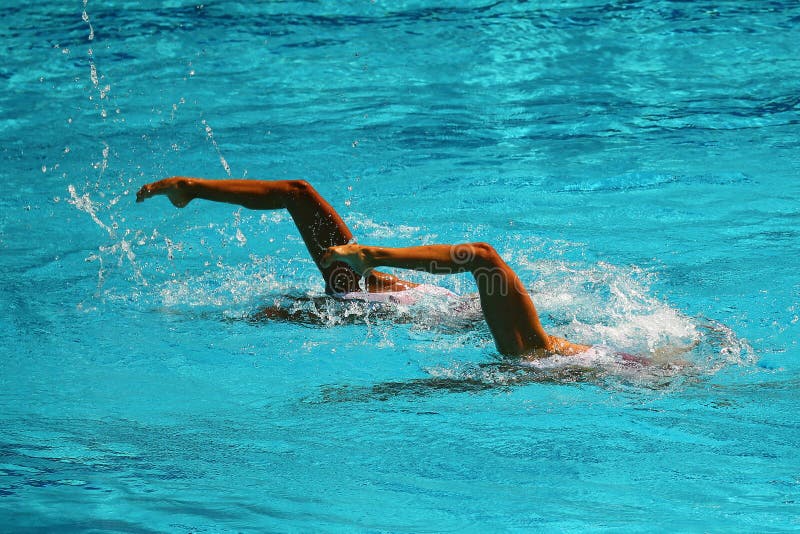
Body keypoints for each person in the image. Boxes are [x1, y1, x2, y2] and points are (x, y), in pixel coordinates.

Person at [136, 177, 591, 358]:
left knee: (297, 200)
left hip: (382, 297)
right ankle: (189, 189)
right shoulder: (541, 354)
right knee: (296, 201)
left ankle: (189, 189)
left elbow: (484, 258)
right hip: (402, 296)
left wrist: (372, 258)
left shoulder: (533, 354)